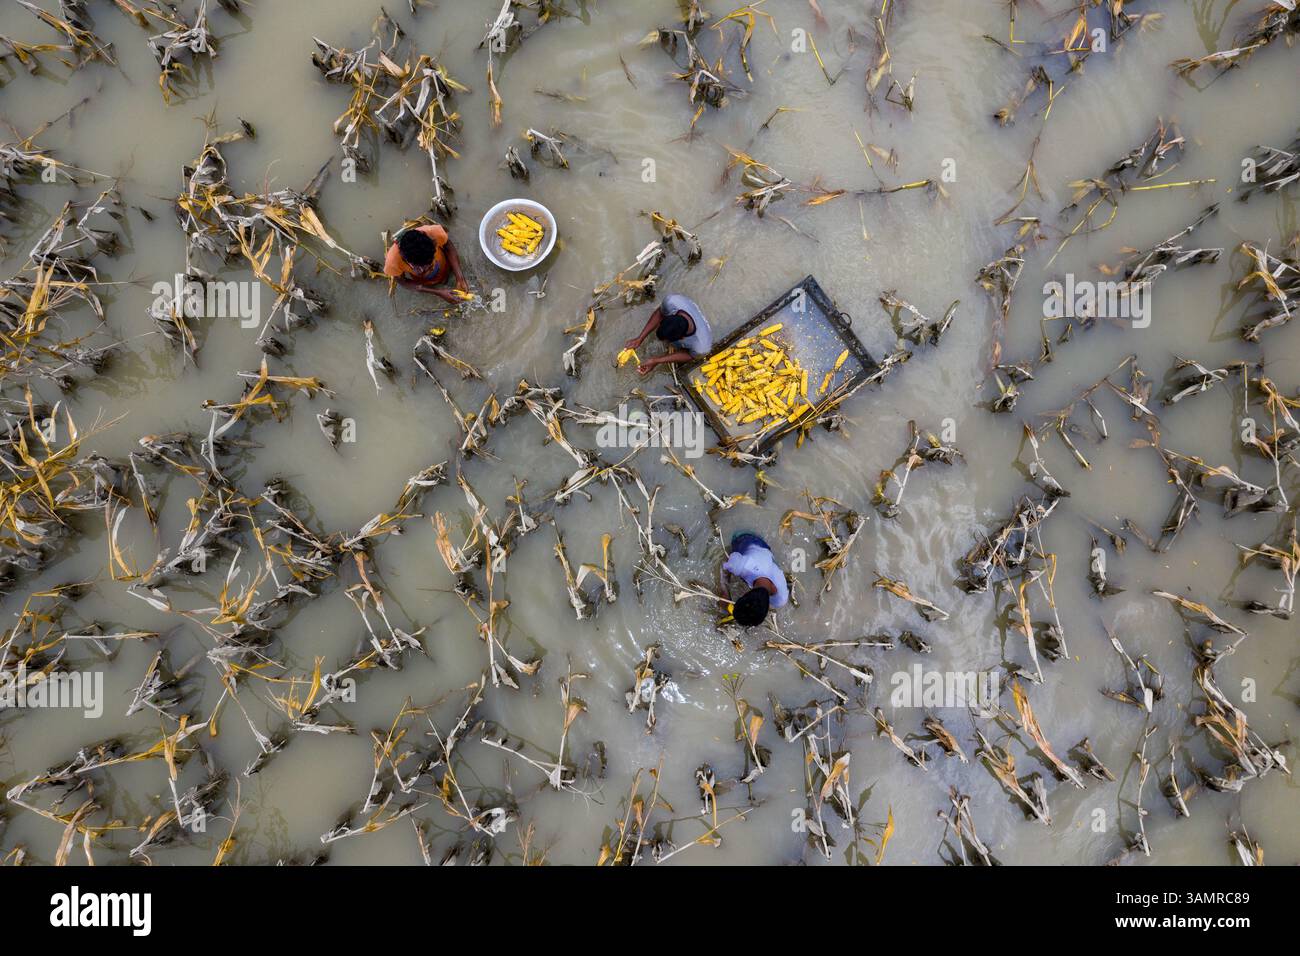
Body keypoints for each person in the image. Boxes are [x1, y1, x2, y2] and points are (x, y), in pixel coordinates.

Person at [624, 292, 713, 375]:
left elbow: (690, 355)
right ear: (670, 316)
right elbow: (659, 313)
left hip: (699, 335)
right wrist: (640, 338)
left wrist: (657, 361)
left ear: (681, 338)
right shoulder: (671, 302)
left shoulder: (702, 347)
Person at [383, 223, 469, 304]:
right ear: (404, 258)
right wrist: (437, 292)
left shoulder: (434, 233)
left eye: (429, 264)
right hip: (427, 283)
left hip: (446, 267)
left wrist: (459, 277)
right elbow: (403, 281)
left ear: (433, 243)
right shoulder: (392, 262)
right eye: (420, 267)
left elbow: (448, 247)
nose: (426, 269)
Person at [720, 532, 789, 627]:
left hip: (764, 553)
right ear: (744, 594)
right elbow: (724, 562)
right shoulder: (742, 566)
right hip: (744, 538)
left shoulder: (780, 599)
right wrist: (725, 593)